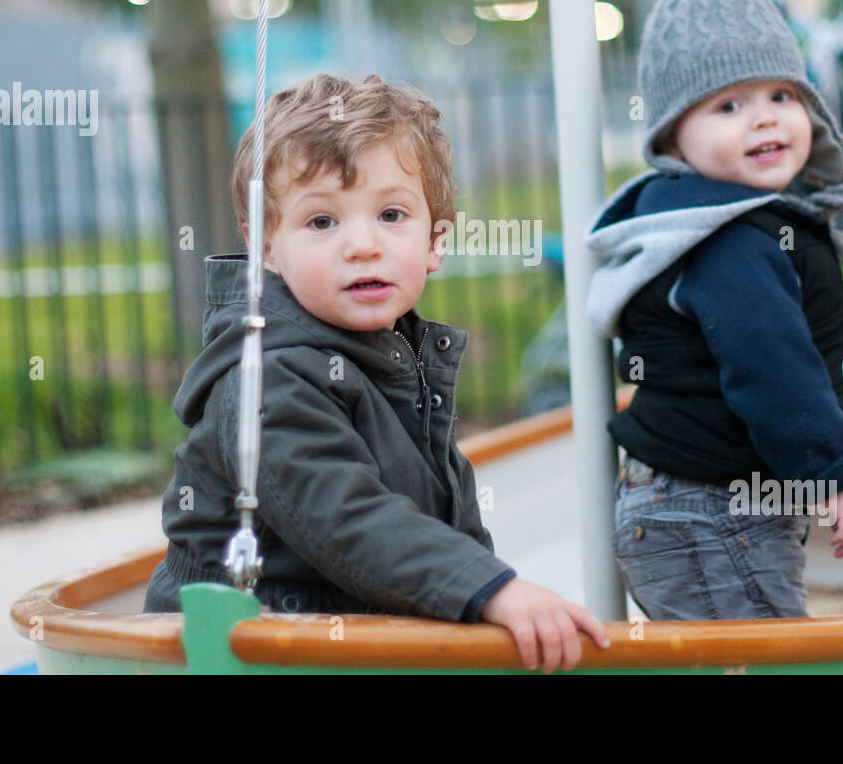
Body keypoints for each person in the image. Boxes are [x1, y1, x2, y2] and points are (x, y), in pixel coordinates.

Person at [143, 72, 609, 672]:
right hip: (251, 643)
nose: (362, 245)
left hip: (345, 634)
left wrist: (481, 594)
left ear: (435, 240)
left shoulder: (396, 358)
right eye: (322, 222)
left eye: (391, 214)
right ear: (264, 247)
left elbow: (445, 519)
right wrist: (486, 587)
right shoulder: (267, 372)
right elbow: (345, 517)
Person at [585, 0, 843, 620]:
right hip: (710, 509)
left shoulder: (726, 218)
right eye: (729, 105)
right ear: (671, 140)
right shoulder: (730, 238)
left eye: (781, 93)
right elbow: (771, 362)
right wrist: (833, 472)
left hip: (693, 503)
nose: (766, 116)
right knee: (759, 657)